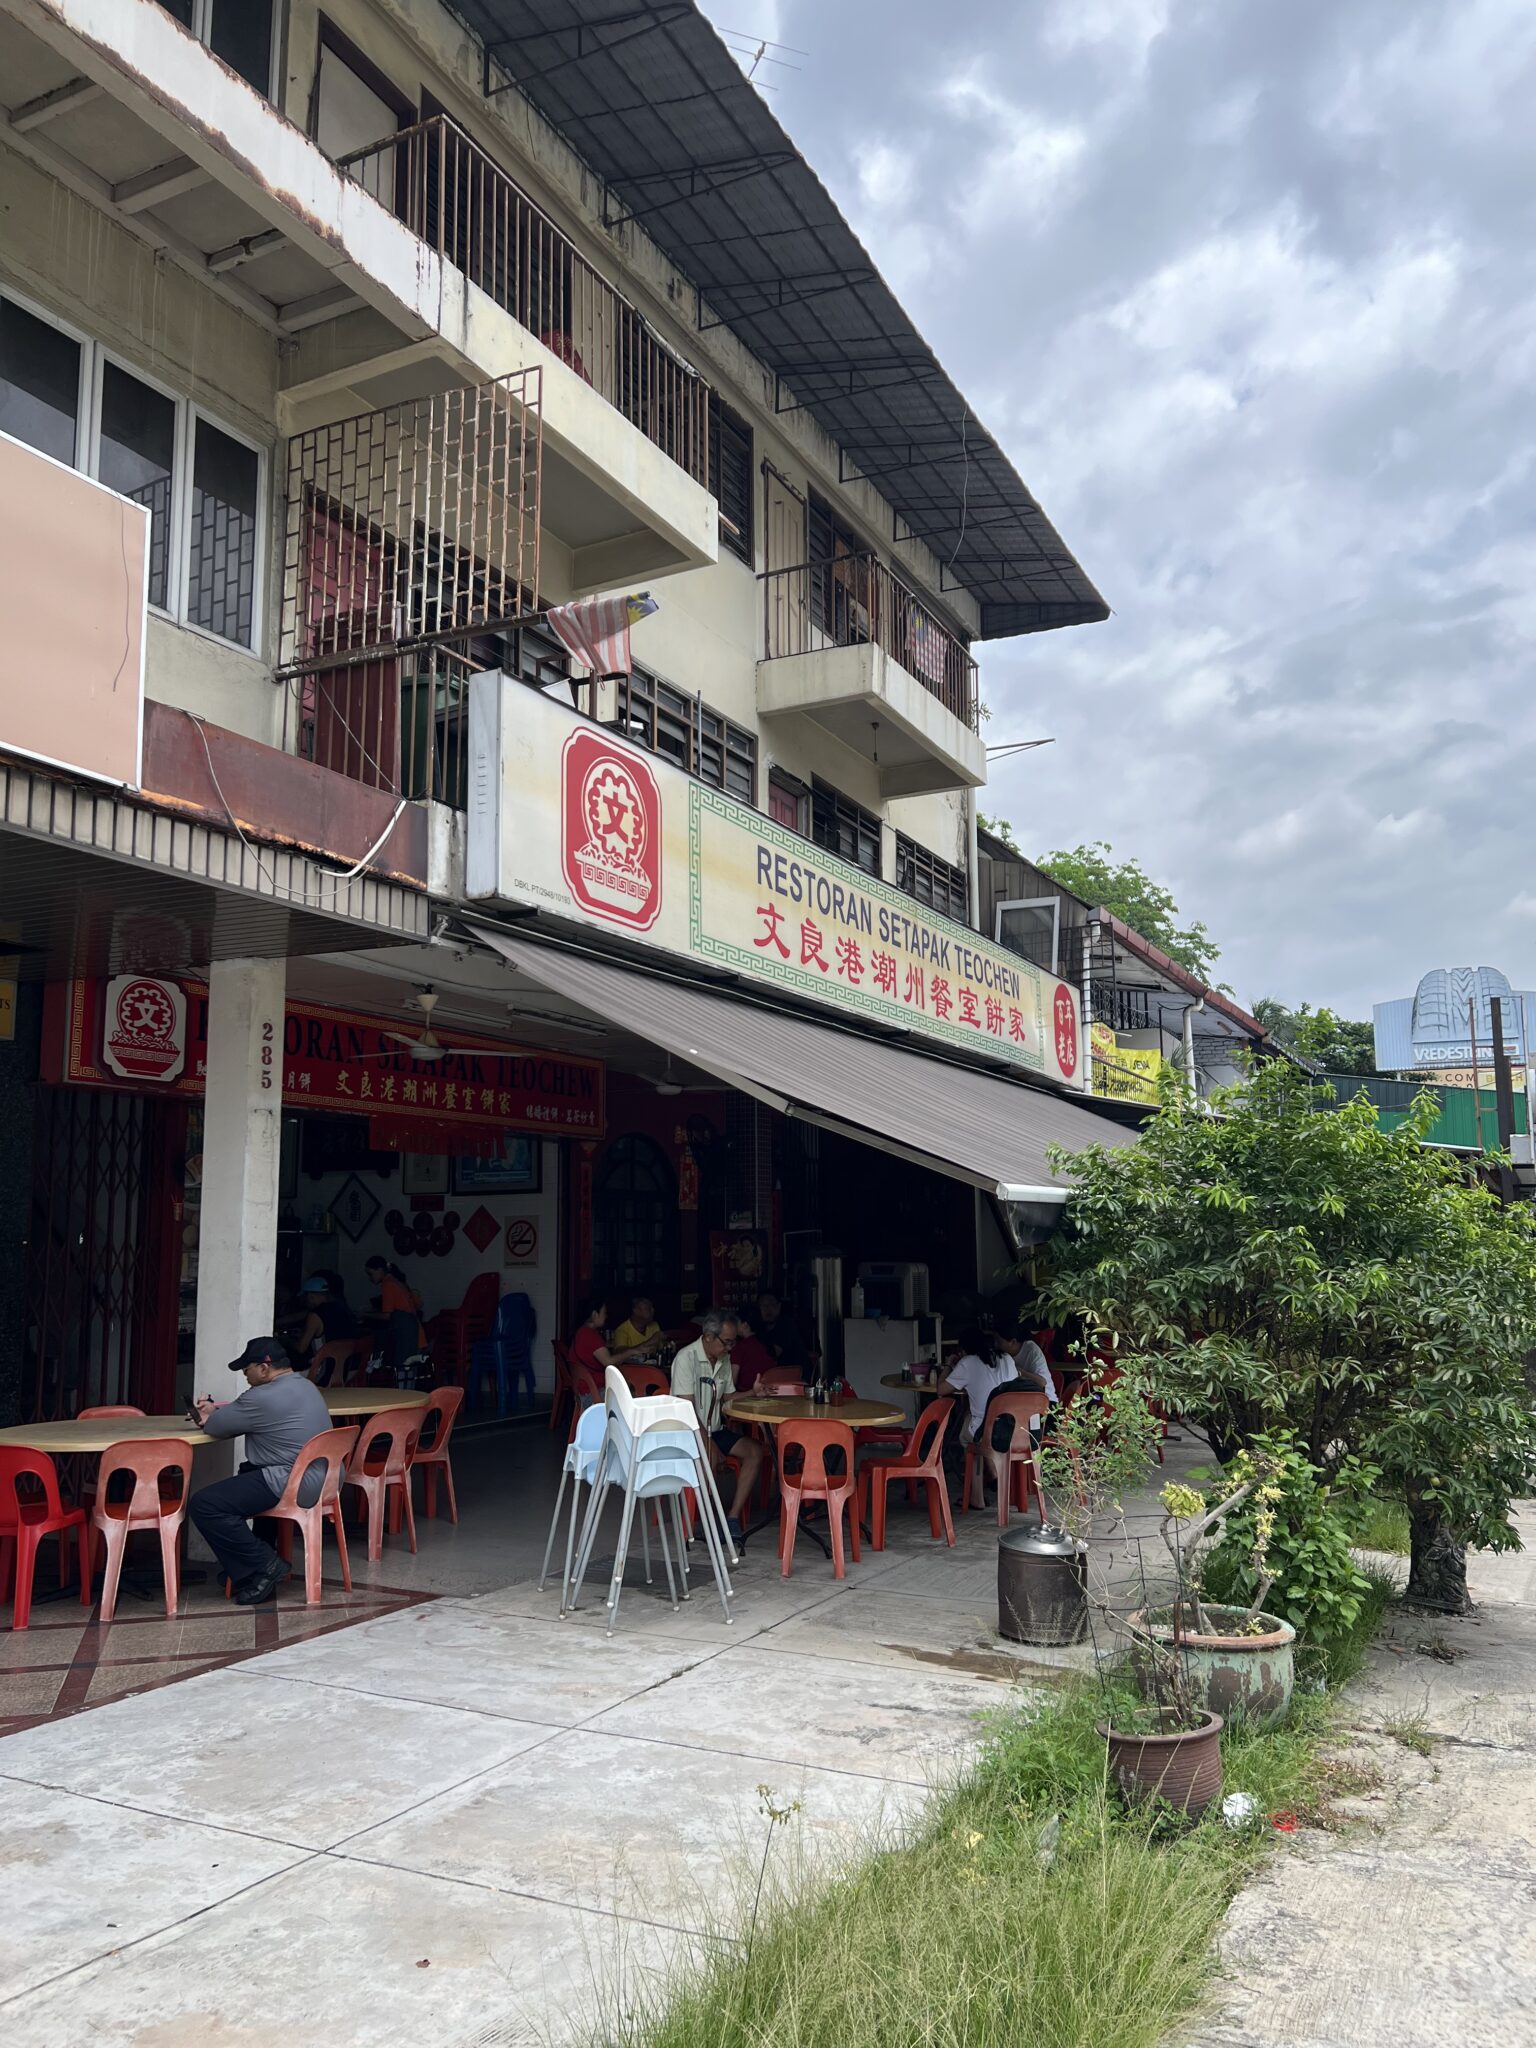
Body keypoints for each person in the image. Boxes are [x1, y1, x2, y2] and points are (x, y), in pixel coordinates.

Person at [188, 1336, 332, 1604]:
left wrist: (207, 1414)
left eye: (247, 1369)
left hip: (293, 1481)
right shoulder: (307, 1386)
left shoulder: (261, 1396)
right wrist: (218, 1412)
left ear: (265, 1368)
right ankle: (247, 1570)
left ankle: (265, 1563)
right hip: (326, 1478)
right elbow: (248, 1413)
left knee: (205, 1504)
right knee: (249, 1471)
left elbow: (216, 1428)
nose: (245, 1375)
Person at [670, 1309, 764, 1544]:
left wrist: (753, 1392)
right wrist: (708, 1443)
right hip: (687, 1432)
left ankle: (731, 1518)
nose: (730, 1348)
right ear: (709, 1337)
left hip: (714, 1428)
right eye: (727, 1342)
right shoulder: (686, 1358)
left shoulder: (723, 1360)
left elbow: (728, 1398)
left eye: (733, 1342)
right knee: (711, 1458)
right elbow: (687, 1410)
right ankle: (707, 1521)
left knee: (755, 1451)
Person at [365, 1255, 425, 1382]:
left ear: (380, 1270)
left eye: (371, 1274)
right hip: (414, 1332)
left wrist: (364, 1314)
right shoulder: (396, 1281)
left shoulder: (388, 1284)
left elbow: (387, 1315)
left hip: (408, 1334)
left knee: (403, 1372)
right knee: (409, 1374)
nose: (370, 1278)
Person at [290, 1272, 358, 1372]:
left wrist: (288, 1341)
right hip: (347, 1369)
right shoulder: (344, 1310)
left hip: (325, 1372)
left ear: (311, 1296)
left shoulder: (315, 1315)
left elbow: (301, 1348)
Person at [568, 1297, 646, 1383]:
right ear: (594, 1314)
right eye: (604, 1313)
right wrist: (632, 1351)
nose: (606, 1316)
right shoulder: (589, 1335)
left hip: (586, 1387)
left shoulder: (581, 1332)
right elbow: (608, 1361)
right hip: (594, 1390)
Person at [996, 1331, 1058, 1405]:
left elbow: (1042, 1383)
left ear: (1012, 1342)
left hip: (1047, 1402)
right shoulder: (1002, 1354)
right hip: (1024, 1400)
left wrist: (1016, 1370)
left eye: (999, 1341)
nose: (995, 1344)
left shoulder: (1031, 1350)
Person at [755, 1290, 808, 1374]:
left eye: (772, 1305)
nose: (768, 1309)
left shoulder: (787, 1325)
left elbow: (774, 1353)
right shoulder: (759, 1327)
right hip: (772, 1375)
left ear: (779, 1306)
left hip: (792, 1375)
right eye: (764, 1306)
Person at [726, 1310, 777, 1393]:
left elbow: (732, 1382)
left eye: (736, 1323)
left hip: (747, 1395)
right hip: (769, 1393)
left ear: (745, 1324)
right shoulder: (768, 1344)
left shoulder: (740, 1347)